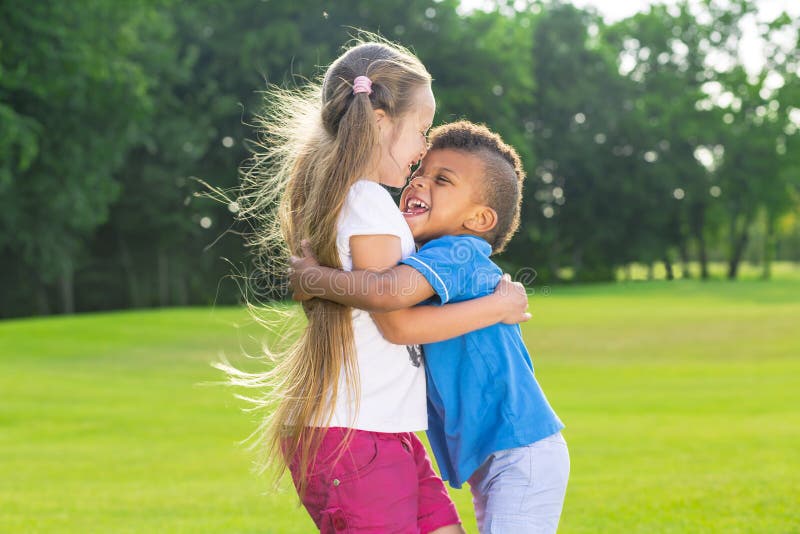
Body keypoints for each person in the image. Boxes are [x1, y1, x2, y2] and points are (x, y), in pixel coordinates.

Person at [220, 38, 532, 534]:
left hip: (383, 432)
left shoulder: (356, 200)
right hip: (355, 436)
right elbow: (397, 318)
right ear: (381, 122)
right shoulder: (366, 201)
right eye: (421, 131)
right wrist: (499, 306)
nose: (423, 148)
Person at [290, 121, 570, 533]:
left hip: (519, 451)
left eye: (442, 180)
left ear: (478, 219)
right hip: (501, 453)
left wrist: (313, 279)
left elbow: (391, 303)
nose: (419, 183)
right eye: (420, 173)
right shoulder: (428, 257)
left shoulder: (456, 252)